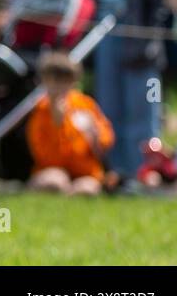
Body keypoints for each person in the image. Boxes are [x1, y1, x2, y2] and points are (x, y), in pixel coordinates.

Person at [89, 0, 170, 181]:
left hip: (138, 35)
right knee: (109, 102)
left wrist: (150, 40)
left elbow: (158, 4)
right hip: (104, 31)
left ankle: (144, 170)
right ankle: (117, 170)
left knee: (141, 105)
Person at [26, 52, 113, 196]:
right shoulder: (41, 110)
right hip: (52, 169)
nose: (60, 87)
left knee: (86, 189)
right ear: (45, 81)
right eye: (55, 81)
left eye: (65, 81)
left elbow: (105, 140)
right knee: (54, 182)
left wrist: (95, 135)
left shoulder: (85, 104)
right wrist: (57, 124)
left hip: (85, 171)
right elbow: (41, 154)